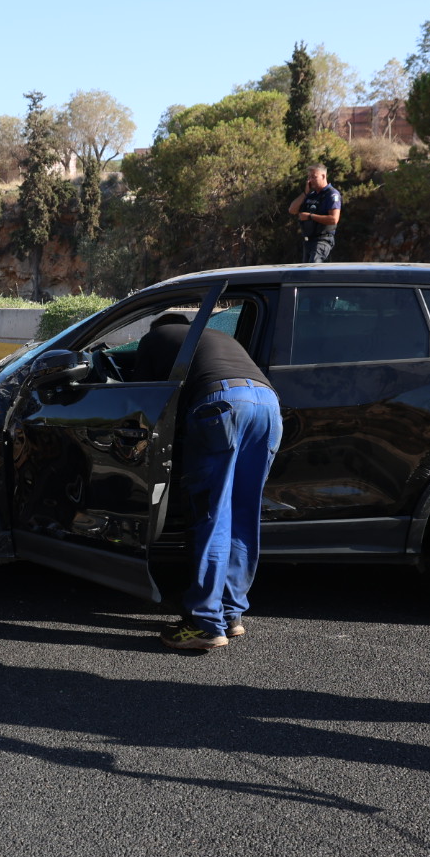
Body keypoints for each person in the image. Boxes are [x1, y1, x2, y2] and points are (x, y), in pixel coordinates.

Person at [132, 313, 281, 651]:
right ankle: (231, 615)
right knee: (242, 516)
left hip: (222, 406)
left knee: (211, 517)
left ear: (159, 328)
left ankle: (205, 624)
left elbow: (144, 399)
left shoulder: (155, 339)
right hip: (268, 406)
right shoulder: (216, 337)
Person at [287, 164, 342, 263]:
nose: (310, 180)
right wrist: (305, 193)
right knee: (305, 275)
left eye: (314, 177)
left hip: (322, 241)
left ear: (323, 176)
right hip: (308, 241)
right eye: (309, 177)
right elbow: (292, 210)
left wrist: (310, 216)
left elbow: (334, 219)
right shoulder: (311, 195)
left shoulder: (331, 194)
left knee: (313, 273)